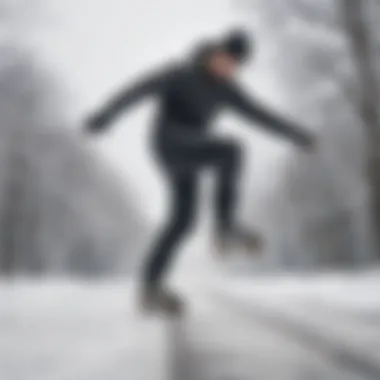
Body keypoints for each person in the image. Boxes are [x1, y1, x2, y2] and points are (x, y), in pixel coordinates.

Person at [85, 29, 316, 315]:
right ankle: (226, 229)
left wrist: (299, 136)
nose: (227, 68)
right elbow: (137, 90)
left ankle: (150, 288)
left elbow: (262, 115)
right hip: (168, 141)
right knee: (231, 150)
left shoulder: (228, 89)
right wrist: (106, 115)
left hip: (193, 151)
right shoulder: (180, 74)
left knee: (183, 220)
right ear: (214, 52)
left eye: (235, 65)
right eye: (225, 60)